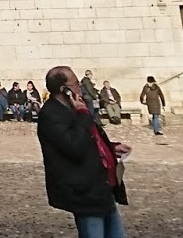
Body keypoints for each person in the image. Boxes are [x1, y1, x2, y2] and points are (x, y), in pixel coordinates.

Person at [37, 65, 130, 238]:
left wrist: (111, 147)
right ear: (64, 89)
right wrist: (82, 114)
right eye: (75, 83)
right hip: (84, 190)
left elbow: (91, 138)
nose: (79, 86)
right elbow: (75, 147)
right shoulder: (51, 114)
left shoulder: (76, 107)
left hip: (101, 185)